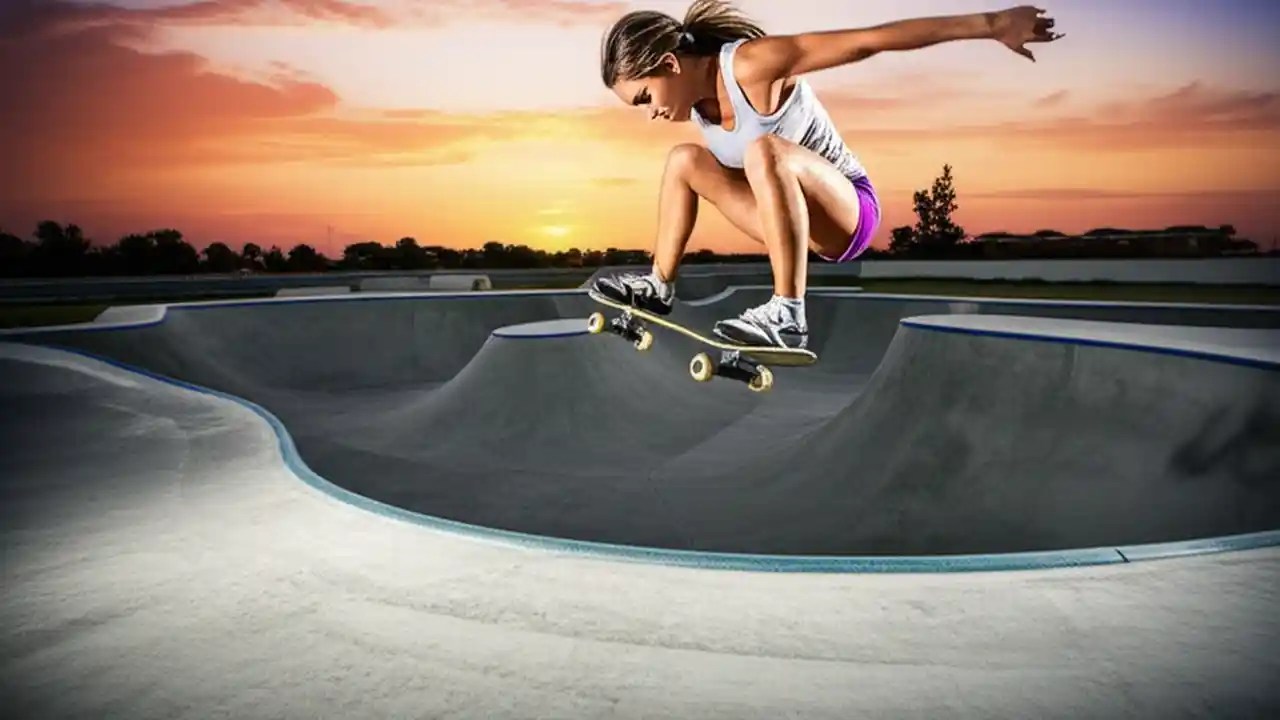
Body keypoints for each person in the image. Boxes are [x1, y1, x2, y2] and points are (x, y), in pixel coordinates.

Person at [593, 0, 1062, 349]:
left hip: (848, 212)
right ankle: (658, 286)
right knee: (683, 160)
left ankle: (788, 315)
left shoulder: (753, 65)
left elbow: (867, 40)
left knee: (765, 151)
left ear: (670, 64)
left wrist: (992, 24)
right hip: (792, 224)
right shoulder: (693, 105)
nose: (649, 112)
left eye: (644, 98)